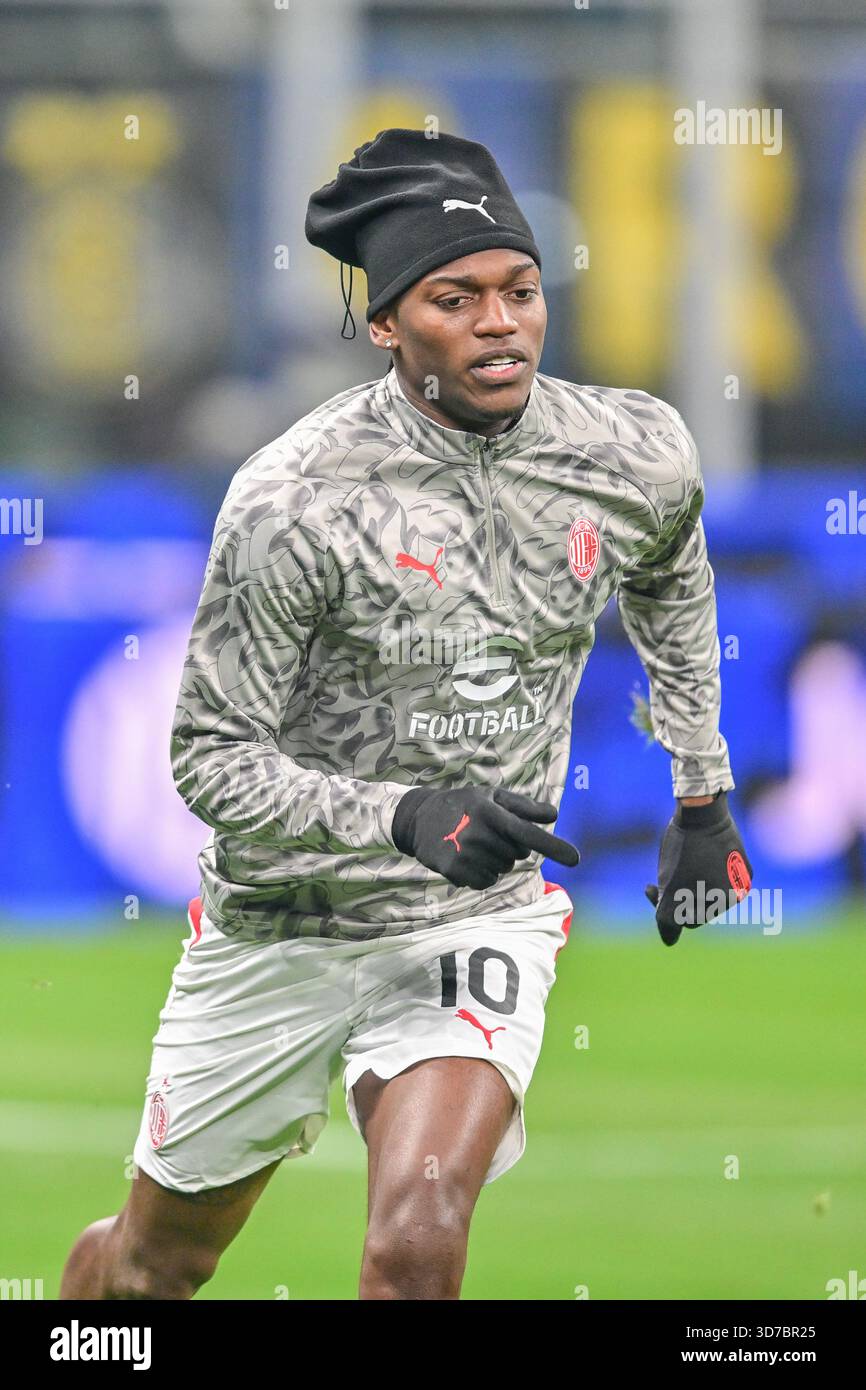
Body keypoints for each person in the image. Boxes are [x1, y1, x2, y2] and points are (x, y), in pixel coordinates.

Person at [60, 128, 751, 1302]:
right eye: (454, 298)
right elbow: (209, 758)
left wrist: (700, 788)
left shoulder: (631, 451)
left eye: (519, 291)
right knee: (149, 1269)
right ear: (385, 326)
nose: (499, 323)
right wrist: (403, 813)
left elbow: (671, 578)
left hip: (468, 918)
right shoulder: (295, 499)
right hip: (277, 927)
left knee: (418, 1237)